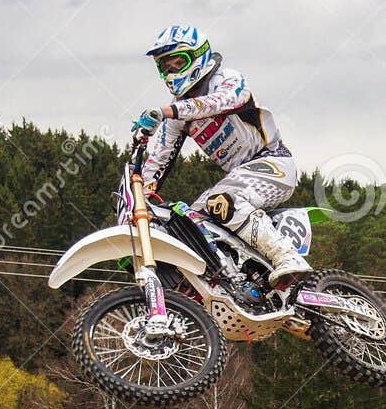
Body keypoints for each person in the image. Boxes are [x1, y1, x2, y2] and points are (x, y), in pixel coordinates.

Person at [131, 25, 311, 288]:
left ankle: (288, 258)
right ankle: (234, 282)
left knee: (223, 200)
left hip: (274, 163)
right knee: (189, 221)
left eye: (178, 63)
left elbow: (219, 102)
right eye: (165, 67)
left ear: (199, 56)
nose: (171, 72)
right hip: (240, 176)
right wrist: (138, 200)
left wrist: (166, 111)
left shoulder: (228, 80)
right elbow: (156, 162)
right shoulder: (176, 117)